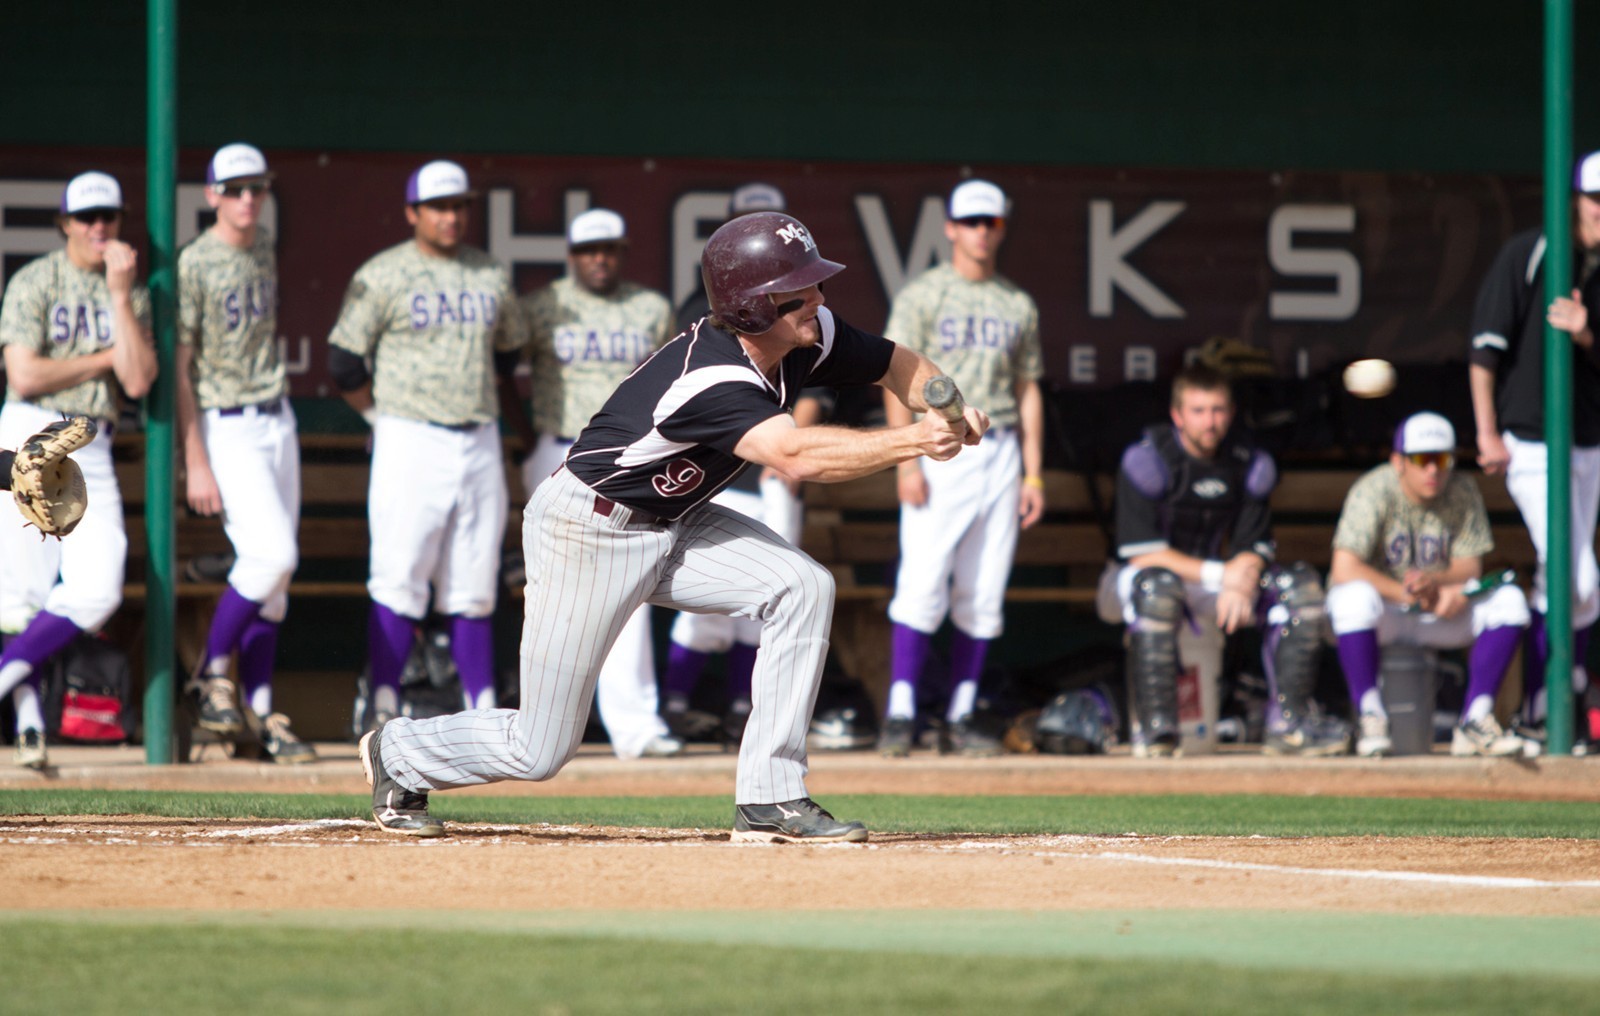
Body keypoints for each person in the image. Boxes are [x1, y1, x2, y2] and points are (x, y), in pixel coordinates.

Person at [359, 210, 987, 842]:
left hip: (675, 521)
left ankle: (771, 798)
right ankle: (401, 751)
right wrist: (913, 441)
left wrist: (949, 404)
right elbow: (795, 456)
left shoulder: (806, 331)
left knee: (802, 586)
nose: (819, 299)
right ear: (752, 307)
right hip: (589, 531)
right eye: (799, 290)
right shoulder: (708, 378)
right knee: (540, 747)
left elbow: (893, 361)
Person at [327, 159, 527, 731]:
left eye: (459, 206)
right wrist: (379, 418)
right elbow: (343, 362)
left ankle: (482, 706)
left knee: (475, 579)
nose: (450, 216)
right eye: (438, 207)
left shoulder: (489, 272)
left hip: (479, 434)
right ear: (413, 212)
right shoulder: (384, 273)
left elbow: (509, 351)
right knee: (399, 574)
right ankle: (383, 700)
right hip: (408, 433)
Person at [876, 180, 1044, 758]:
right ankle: (900, 713)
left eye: (990, 222)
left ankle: (962, 711)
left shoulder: (1017, 302)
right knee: (923, 581)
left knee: (983, 587)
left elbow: (1027, 390)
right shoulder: (925, 294)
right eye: (970, 221)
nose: (980, 231)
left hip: (999, 448)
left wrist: (1035, 474)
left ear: (1000, 228)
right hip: (939, 441)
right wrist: (905, 457)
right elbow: (894, 375)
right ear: (949, 227)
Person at [1097, 365, 1344, 757]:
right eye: (1198, 410)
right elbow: (1143, 553)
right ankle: (1159, 731)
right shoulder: (1148, 459)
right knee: (1159, 587)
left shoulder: (1247, 461)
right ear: (1177, 415)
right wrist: (1225, 575)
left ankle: (1289, 725)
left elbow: (1254, 544)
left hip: (1212, 582)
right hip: (1131, 582)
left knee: (1298, 588)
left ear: (1230, 413)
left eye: (1218, 410)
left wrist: (1241, 582)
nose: (1209, 421)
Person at [506, 207, 682, 759]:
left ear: (623, 251)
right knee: (553, 593)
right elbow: (504, 371)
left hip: (628, 457)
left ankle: (637, 728)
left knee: (627, 587)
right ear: (571, 255)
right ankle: (540, 722)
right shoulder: (543, 306)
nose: (599, 258)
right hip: (557, 447)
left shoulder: (649, 308)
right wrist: (523, 439)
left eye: (609, 248)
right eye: (588, 250)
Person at [658, 183, 827, 745]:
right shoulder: (700, 308)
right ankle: (675, 704)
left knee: (776, 599)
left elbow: (815, 383)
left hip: (774, 467)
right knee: (709, 607)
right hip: (721, 468)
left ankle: (742, 708)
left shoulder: (803, 307)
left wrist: (790, 437)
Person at [0, 171, 158, 769]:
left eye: (109, 217)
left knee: (99, 586)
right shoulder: (36, 278)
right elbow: (25, 375)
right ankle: (31, 723)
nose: (99, 228)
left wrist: (119, 297)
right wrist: (103, 360)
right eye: (87, 218)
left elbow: (139, 379)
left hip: (90, 443)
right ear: (65, 222)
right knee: (21, 595)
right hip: (29, 433)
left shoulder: (132, 292)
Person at [175, 143, 312, 764]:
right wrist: (194, 457)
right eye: (234, 189)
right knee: (270, 554)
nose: (247, 199)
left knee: (275, 582)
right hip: (224, 422)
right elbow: (180, 368)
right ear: (211, 196)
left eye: (256, 187)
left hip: (275, 415)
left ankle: (259, 710)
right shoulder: (194, 263)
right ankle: (208, 678)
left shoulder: (263, 244)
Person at [1468, 148, 1600, 749]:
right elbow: (1484, 349)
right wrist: (1486, 430)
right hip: (1529, 441)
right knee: (1578, 574)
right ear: (1576, 199)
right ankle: (1555, 695)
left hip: (1588, 443)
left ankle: (1549, 704)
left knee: (1576, 584)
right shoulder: (1532, 251)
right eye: (1596, 200)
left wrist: (1587, 328)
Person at [1327, 412, 1529, 757]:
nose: (1433, 470)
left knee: (1510, 601)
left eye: (1442, 459)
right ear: (1399, 461)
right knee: (1352, 598)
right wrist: (1407, 592)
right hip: (1384, 612)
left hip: (1436, 610)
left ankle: (1476, 720)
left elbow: (1470, 565)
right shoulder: (1375, 487)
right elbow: (1344, 567)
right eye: (1421, 460)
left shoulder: (1462, 488)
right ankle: (1370, 715)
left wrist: (1442, 588)